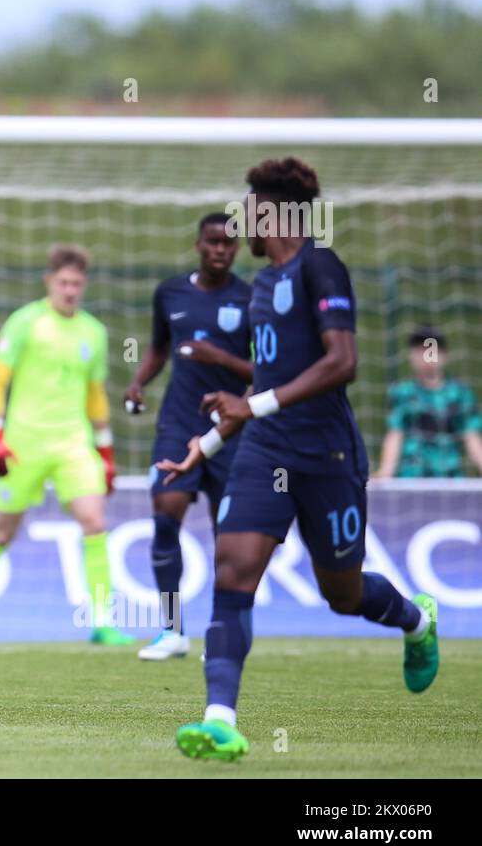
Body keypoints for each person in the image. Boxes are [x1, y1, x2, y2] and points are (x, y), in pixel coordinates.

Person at [158, 158, 438, 762]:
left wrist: (251, 405)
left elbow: (342, 364)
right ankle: (219, 720)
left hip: (328, 454)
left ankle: (417, 623)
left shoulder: (321, 267)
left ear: (269, 212)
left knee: (341, 593)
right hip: (265, 449)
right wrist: (207, 444)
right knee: (233, 571)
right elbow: (270, 377)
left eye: (247, 211)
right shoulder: (262, 287)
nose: (241, 226)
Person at [0, 244, 132, 648]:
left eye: (77, 284)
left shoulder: (93, 332)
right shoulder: (25, 322)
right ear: (49, 282)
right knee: (2, 532)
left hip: (73, 444)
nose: (70, 290)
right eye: (63, 282)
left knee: (95, 523)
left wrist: (106, 449)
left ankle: (103, 622)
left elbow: (95, 396)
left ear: (84, 286)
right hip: (23, 444)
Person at [124, 213, 253, 660]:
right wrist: (140, 383)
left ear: (236, 250)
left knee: (229, 534)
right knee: (165, 515)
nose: (220, 250)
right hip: (178, 424)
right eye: (213, 242)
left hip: (230, 428)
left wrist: (219, 356)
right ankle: (173, 629)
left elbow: (268, 373)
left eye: (228, 244)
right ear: (199, 244)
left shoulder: (251, 299)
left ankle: (221, 629)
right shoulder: (171, 293)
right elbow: (160, 348)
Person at [373, 327, 482, 479]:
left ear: (444, 355)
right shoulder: (402, 393)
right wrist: (385, 472)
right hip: (411, 479)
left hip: (449, 479)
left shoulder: (460, 394)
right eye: (418, 350)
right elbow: (395, 434)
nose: (425, 355)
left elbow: (471, 435)